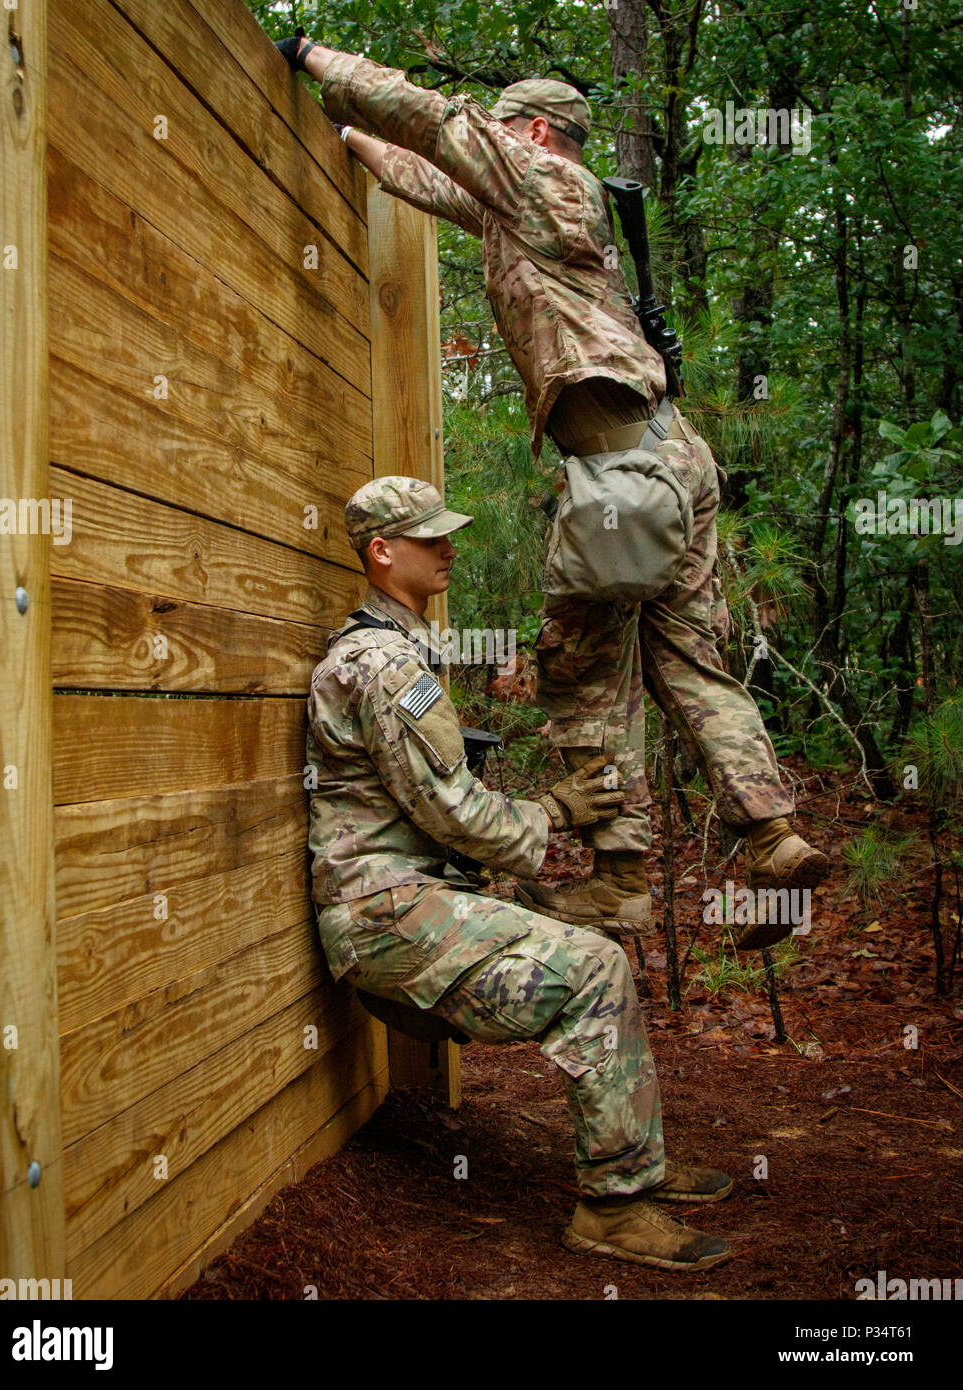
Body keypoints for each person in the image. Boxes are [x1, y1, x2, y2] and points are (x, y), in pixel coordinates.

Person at [279, 31, 829, 951]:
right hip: (669, 462)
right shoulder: (533, 208)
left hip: (623, 471)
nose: (491, 145)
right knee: (692, 665)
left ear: (534, 131)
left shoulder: (548, 180)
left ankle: (619, 880)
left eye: (503, 134)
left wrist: (315, 58)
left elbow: (434, 122)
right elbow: (428, 177)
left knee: (580, 670)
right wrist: (351, 142)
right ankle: (772, 835)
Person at [306, 474, 734, 1270]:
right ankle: (613, 1209)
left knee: (594, 933)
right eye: (430, 538)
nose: (449, 548)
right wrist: (556, 813)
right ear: (381, 551)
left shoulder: (401, 652)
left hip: (415, 899)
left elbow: (438, 810)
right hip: (382, 915)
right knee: (594, 968)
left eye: (446, 534)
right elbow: (452, 812)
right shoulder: (380, 665)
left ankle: (631, 1150)